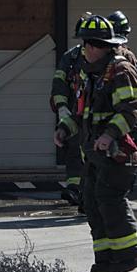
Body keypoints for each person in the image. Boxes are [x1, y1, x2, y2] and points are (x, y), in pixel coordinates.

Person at [64, 14, 137, 272]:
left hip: (118, 152)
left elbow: (132, 110)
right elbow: (82, 112)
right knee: (91, 201)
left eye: (90, 44)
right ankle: (106, 258)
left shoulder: (121, 70)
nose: (85, 49)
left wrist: (110, 134)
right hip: (95, 154)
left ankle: (130, 255)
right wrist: (64, 128)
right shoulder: (90, 73)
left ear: (101, 46)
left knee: (110, 199)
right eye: (85, 44)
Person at [51, 13, 94, 207]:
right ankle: (74, 189)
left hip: (94, 115)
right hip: (74, 114)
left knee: (92, 153)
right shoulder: (71, 57)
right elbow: (59, 83)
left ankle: (88, 192)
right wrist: (62, 108)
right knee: (74, 151)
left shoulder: (108, 58)